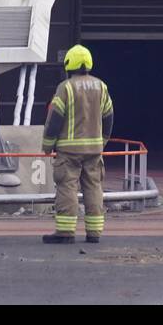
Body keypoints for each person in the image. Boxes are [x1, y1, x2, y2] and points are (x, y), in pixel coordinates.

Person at [41, 44, 114, 244]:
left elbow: (54, 119)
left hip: (69, 150)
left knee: (67, 187)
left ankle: (65, 232)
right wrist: (104, 140)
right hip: (94, 150)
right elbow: (109, 116)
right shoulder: (101, 86)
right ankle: (94, 233)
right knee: (94, 188)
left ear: (68, 65)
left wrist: (47, 145)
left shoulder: (65, 88)